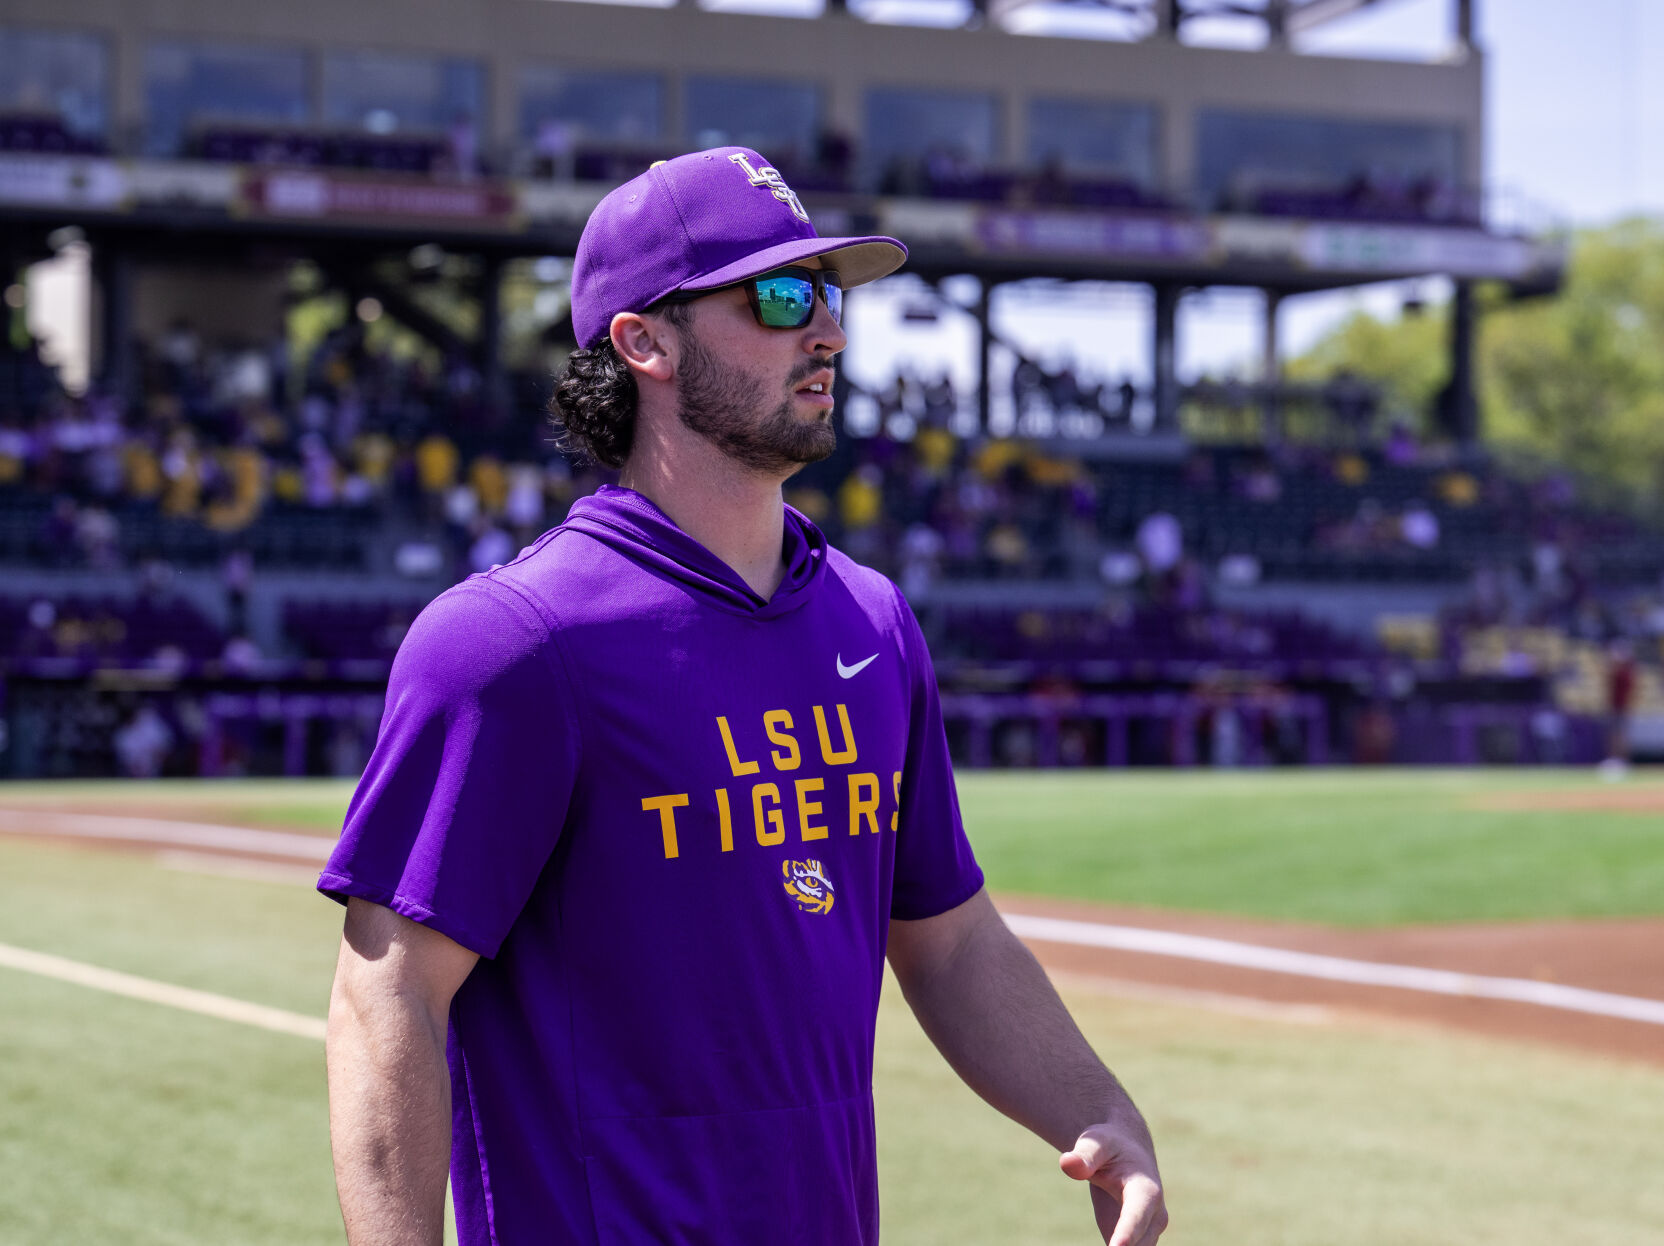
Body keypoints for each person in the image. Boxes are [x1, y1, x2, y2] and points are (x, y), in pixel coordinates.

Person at [319, 147, 1167, 1246]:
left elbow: (949, 938)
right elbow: (387, 993)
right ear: (645, 342)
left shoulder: (870, 620)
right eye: (779, 297)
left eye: (829, 297)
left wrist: (1101, 1111)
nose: (827, 332)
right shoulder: (509, 643)